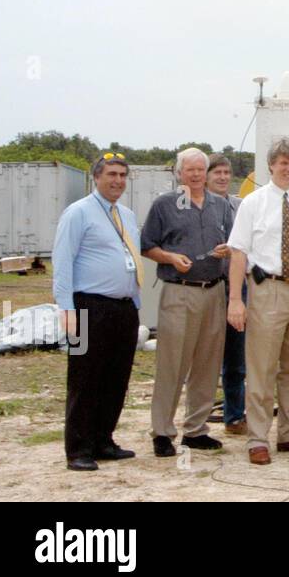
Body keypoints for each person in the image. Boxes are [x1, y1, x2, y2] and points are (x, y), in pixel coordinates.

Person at [225, 138, 289, 464]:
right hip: (267, 290)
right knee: (262, 366)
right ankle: (258, 438)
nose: (287, 168)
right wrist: (235, 300)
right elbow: (238, 253)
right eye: (282, 163)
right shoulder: (252, 203)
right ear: (270, 166)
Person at [53, 152, 142, 471]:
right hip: (87, 307)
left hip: (123, 308)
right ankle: (78, 448)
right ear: (96, 177)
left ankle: (104, 439)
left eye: (122, 175)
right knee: (84, 378)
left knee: (116, 378)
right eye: (111, 175)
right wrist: (66, 308)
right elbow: (62, 261)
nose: (117, 181)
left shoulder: (127, 215)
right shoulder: (78, 213)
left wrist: (135, 303)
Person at [142, 147, 232, 457]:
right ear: (179, 173)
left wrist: (227, 250)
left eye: (199, 169)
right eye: (189, 169)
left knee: (207, 363)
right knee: (172, 363)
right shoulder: (164, 205)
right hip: (179, 290)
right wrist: (168, 257)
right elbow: (147, 245)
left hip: (215, 290)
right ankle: (163, 432)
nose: (194, 174)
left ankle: (196, 429)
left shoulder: (221, 206)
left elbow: (235, 244)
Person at [207, 154, 249, 433]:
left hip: (238, 287)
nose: (222, 177)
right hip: (207, 286)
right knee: (205, 355)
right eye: (217, 172)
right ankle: (197, 417)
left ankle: (234, 415)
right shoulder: (195, 207)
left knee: (236, 356)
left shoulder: (241, 206)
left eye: (226, 172)